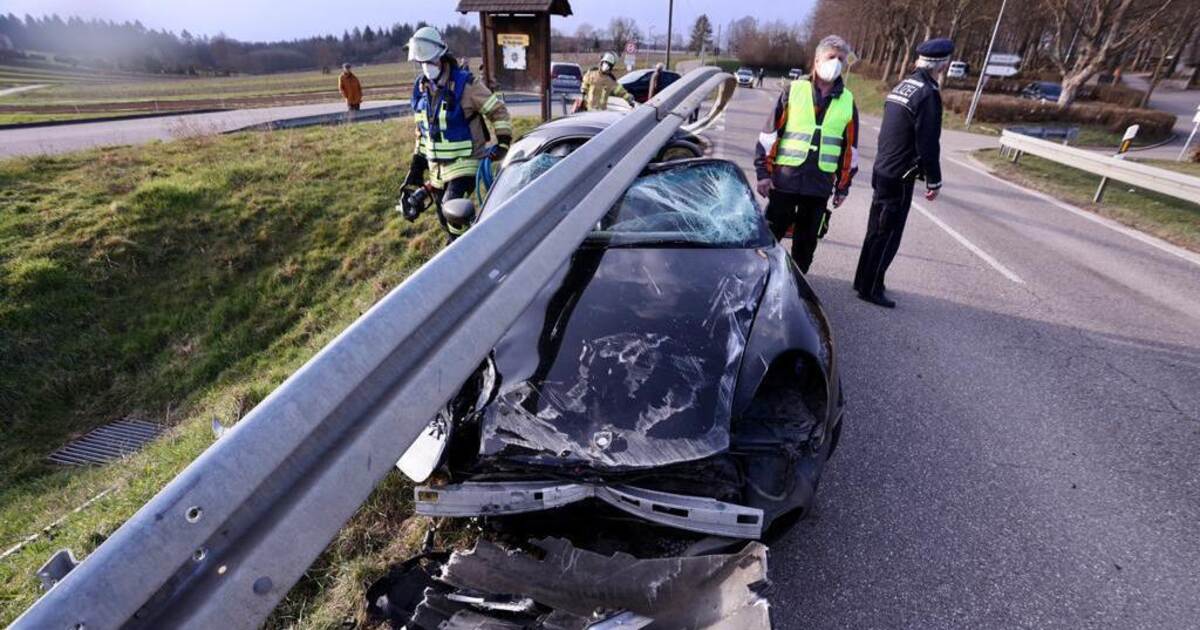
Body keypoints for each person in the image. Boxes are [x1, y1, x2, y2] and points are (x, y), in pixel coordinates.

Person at [853, 37, 952, 308]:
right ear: (941, 65)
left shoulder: (903, 86)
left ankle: (863, 279)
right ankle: (871, 288)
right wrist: (935, 179)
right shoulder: (927, 93)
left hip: (883, 167)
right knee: (889, 233)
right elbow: (928, 141)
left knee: (875, 229)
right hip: (900, 175)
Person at [753, 35, 859, 274]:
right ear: (817, 60)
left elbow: (849, 151)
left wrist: (843, 187)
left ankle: (796, 289)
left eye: (841, 59)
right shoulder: (793, 91)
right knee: (769, 239)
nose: (837, 63)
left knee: (806, 245)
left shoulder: (847, 102)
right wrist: (763, 173)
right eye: (832, 57)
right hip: (784, 182)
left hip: (819, 187)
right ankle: (759, 280)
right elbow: (769, 137)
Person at [399, 26, 512, 240]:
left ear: (441, 56)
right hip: (438, 170)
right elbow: (423, 132)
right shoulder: (421, 89)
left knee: (453, 210)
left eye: (430, 61)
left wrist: (503, 142)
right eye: (421, 62)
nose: (426, 67)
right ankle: (460, 248)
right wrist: (416, 167)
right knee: (445, 218)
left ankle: (464, 252)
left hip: (466, 163)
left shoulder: (466, 85)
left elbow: (498, 110)